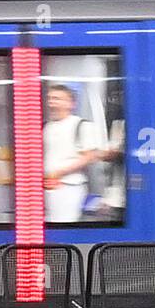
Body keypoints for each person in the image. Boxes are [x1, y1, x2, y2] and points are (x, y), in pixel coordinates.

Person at [42, 83, 103, 223]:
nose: (52, 102)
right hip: (46, 187)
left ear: (71, 103)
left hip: (69, 187)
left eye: (57, 98)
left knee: (64, 224)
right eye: (50, 98)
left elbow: (89, 156)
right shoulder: (46, 126)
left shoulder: (82, 125)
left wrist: (60, 172)